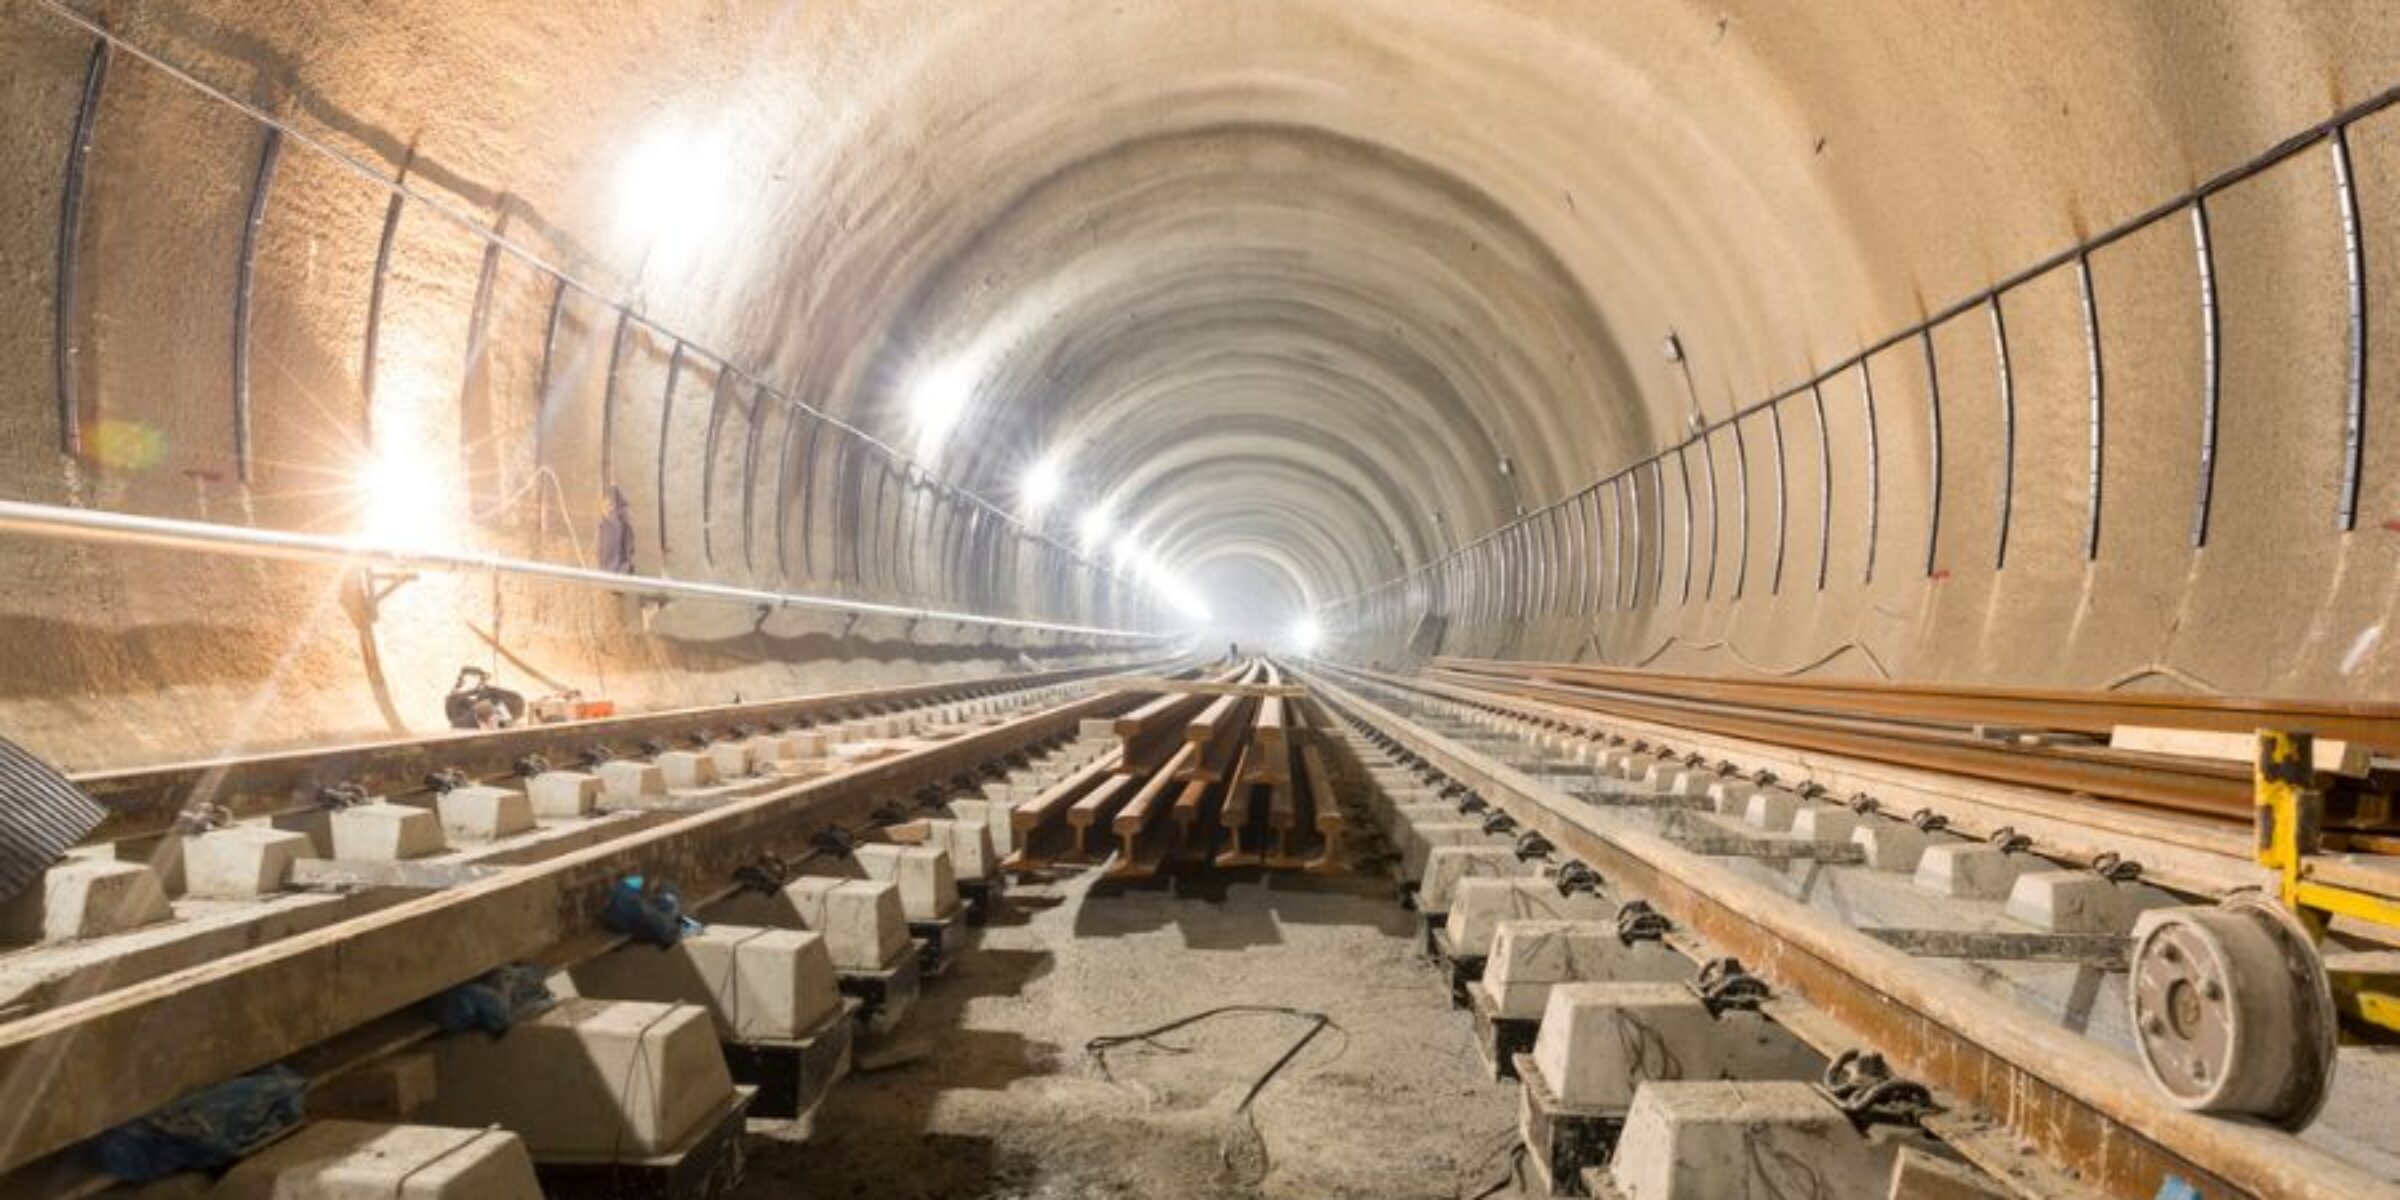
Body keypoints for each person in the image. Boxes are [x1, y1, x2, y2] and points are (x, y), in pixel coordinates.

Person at [597, 484, 635, 574]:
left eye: (610, 506)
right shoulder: (605, 523)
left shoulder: (618, 524)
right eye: (606, 507)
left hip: (617, 572)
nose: (608, 509)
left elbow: (627, 551)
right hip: (612, 571)